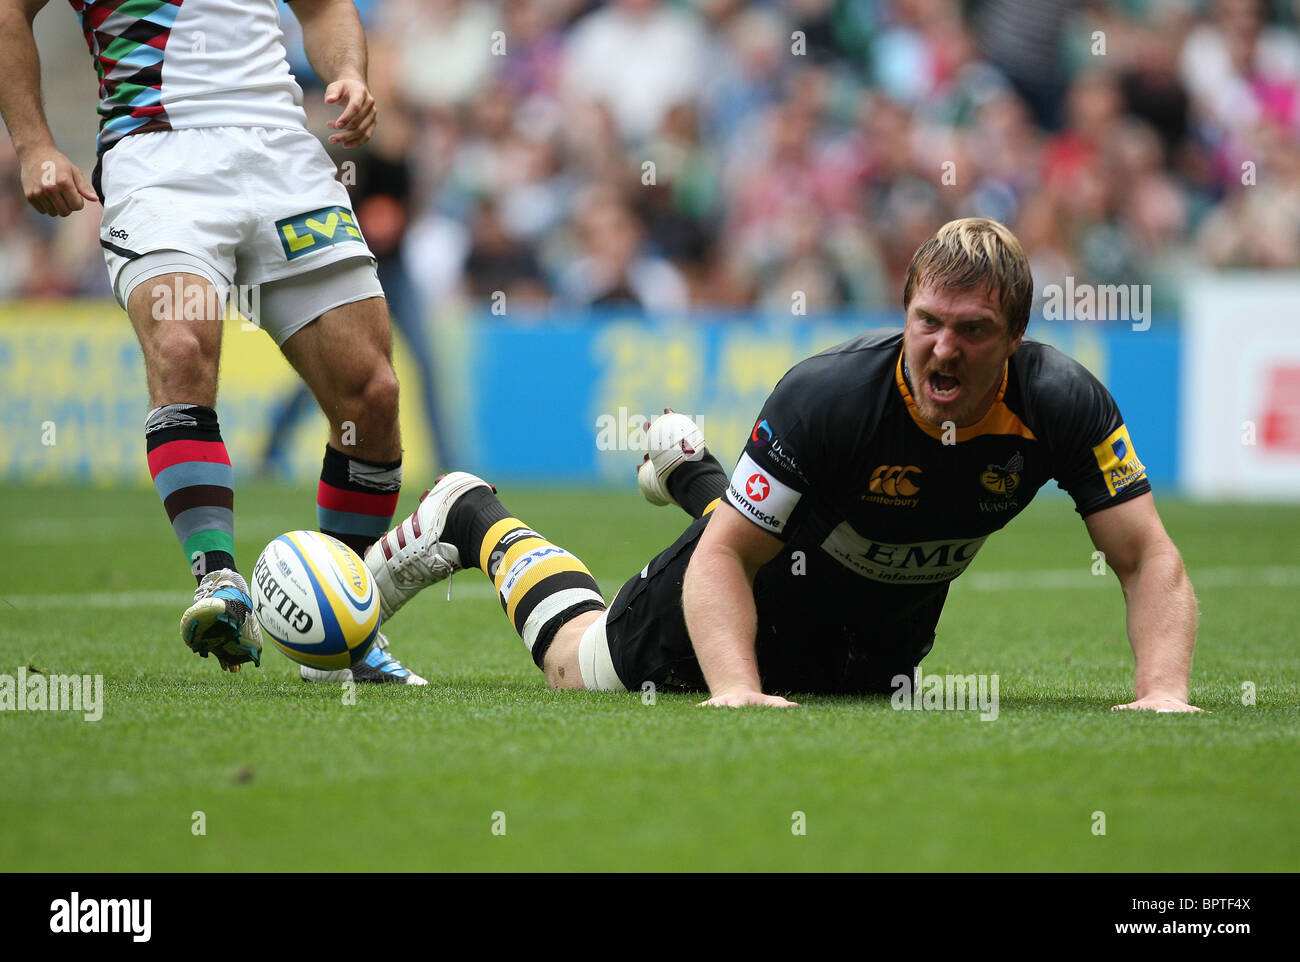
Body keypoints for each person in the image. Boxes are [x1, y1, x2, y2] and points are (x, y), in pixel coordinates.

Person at [376, 218, 1201, 711]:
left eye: (973, 331)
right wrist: (734, 686)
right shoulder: (829, 396)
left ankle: (689, 467)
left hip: (871, 652)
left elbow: (1146, 554)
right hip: (740, 593)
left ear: (1015, 339)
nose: (943, 350)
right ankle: (471, 516)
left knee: (795, 543)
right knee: (574, 665)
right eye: (928, 321)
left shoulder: (1064, 404)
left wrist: (1162, 691)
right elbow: (727, 553)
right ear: (904, 311)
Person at [1, 0, 424, 683]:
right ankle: (219, 582)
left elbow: (324, 9)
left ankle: (340, 634)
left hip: (283, 153)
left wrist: (348, 72)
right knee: (179, 348)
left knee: (372, 391)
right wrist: (35, 144)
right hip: (159, 156)